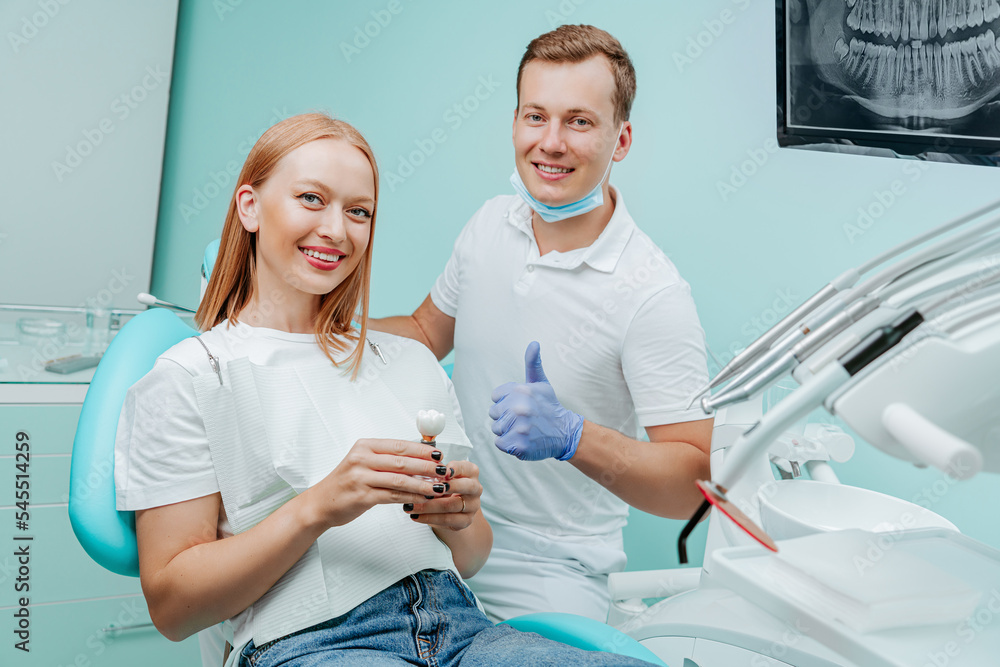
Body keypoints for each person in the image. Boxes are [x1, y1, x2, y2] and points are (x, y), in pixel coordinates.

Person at [114, 112, 655, 666]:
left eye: (358, 212)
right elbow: (173, 608)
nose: (336, 229)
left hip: (466, 633)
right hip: (315, 643)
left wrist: (459, 519)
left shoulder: (409, 362)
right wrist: (317, 508)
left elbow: (471, 557)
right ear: (249, 206)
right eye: (311, 199)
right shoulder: (189, 378)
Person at [370, 25, 714, 623]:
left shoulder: (651, 291)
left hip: (550, 568)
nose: (550, 142)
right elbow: (427, 334)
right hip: (439, 524)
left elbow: (693, 484)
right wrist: (308, 323)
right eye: (536, 117)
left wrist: (575, 436)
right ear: (514, 123)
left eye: (579, 121)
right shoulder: (488, 226)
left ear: (621, 139)